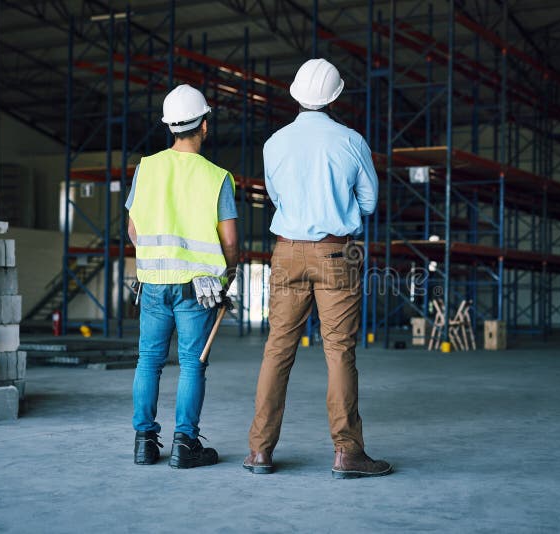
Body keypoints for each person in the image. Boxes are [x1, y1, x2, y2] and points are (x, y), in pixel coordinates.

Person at [244, 58, 391, 479]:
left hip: (286, 252)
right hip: (336, 252)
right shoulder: (351, 141)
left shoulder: (274, 143)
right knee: (339, 350)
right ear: (336, 96)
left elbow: (276, 196)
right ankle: (348, 453)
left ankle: (259, 451)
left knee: (277, 349)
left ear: (295, 94)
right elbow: (368, 202)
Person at [126, 84, 239, 468]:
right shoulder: (217, 176)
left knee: (148, 361)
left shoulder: (147, 167)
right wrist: (229, 273)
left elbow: (133, 229)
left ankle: (144, 443)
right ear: (204, 125)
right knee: (192, 364)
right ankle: (185, 445)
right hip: (198, 288)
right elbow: (230, 241)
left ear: (170, 127)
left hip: (153, 284)